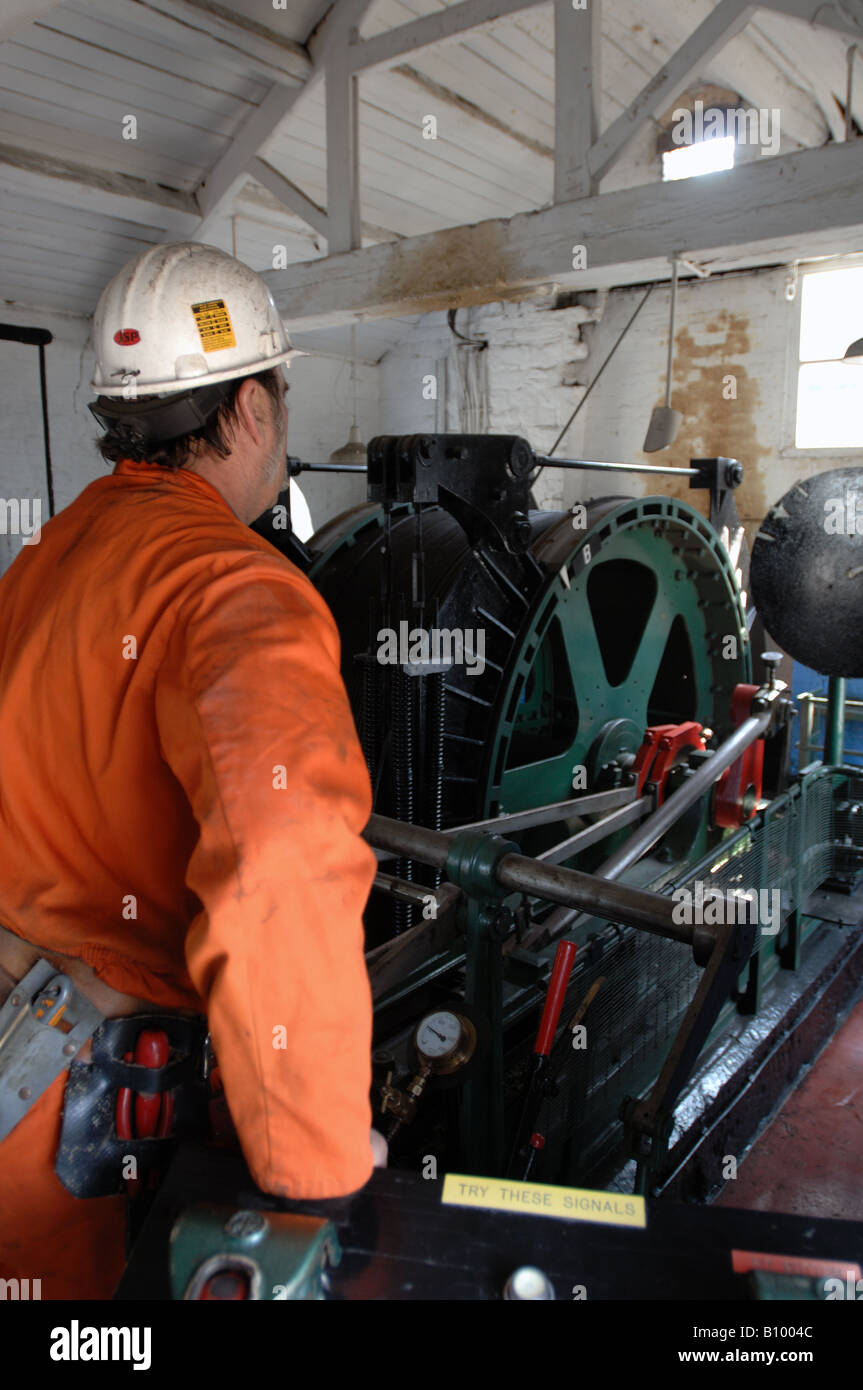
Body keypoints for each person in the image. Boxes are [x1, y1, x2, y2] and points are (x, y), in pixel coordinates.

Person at [0, 242, 383, 1300]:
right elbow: (280, 866)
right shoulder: (232, 586)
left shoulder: (51, 553)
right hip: (71, 1119)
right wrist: (312, 1169)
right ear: (252, 408)